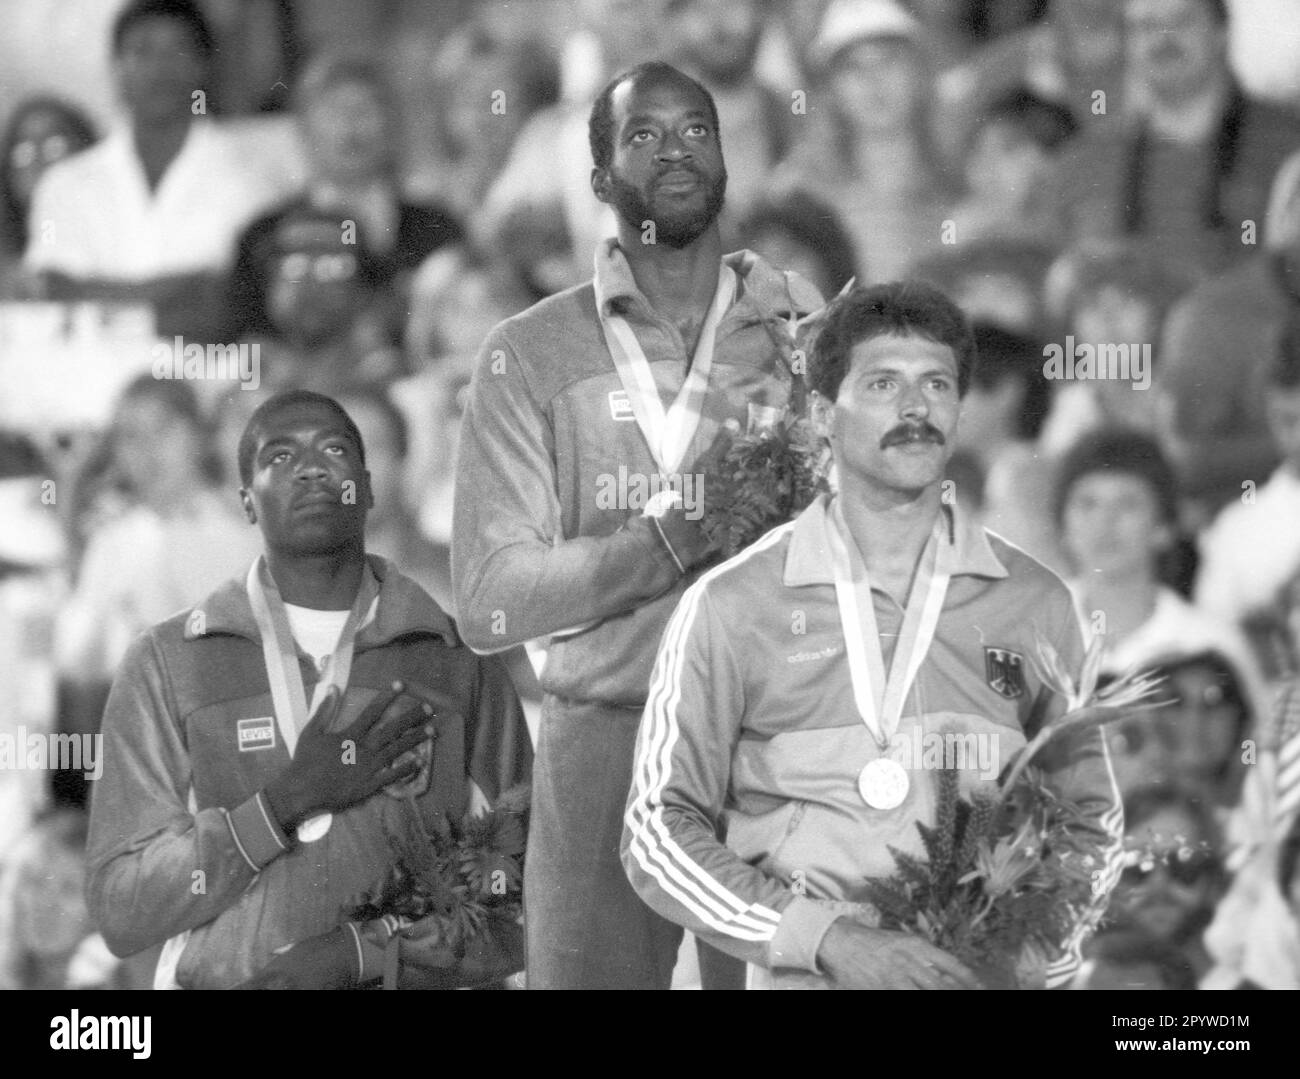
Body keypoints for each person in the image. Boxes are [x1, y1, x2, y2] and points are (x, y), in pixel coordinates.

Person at [622, 280, 1123, 989]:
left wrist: (1027, 957)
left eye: (937, 385)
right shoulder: (732, 606)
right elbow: (657, 830)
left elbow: (1091, 821)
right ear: (825, 414)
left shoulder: (1035, 602)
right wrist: (826, 938)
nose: (916, 409)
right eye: (884, 384)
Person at [452, 60, 822, 989]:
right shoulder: (530, 353)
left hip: (783, 740)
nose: (676, 150)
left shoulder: (807, 331)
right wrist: (664, 543)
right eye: (644, 135)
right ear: (598, 180)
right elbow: (490, 604)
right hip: (606, 741)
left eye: (698, 130)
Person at [85, 390, 531, 989]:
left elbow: (530, 893)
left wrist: (367, 952)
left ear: (369, 488)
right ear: (245, 500)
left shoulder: (455, 662)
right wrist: (278, 807)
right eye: (278, 457)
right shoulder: (169, 663)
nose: (312, 467)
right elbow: (122, 906)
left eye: (334, 448)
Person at [22, 0, 301, 339]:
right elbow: (49, 288)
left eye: (177, 50)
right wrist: (180, 291)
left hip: (207, 374)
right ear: (116, 67)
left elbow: (227, 299)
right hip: (85, 375)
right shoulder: (65, 183)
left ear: (204, 66)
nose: (160, 68)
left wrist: (92, 291)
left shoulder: (253, 179)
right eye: (142, 51)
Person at [1050, 0, 1300, 276]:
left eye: (1180, 20)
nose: (1163, 38)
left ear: (1221, 32)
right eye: (1146, 26)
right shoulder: (1083, 163)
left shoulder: (1288, 148)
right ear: (1126, 44)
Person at [225, 54, 464, 340]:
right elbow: (247, 341)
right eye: (334, 111)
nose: (350, 126)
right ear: (303, 130)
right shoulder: (264, 235)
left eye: (366, 110)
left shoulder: (437, 228)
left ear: (393, 128)